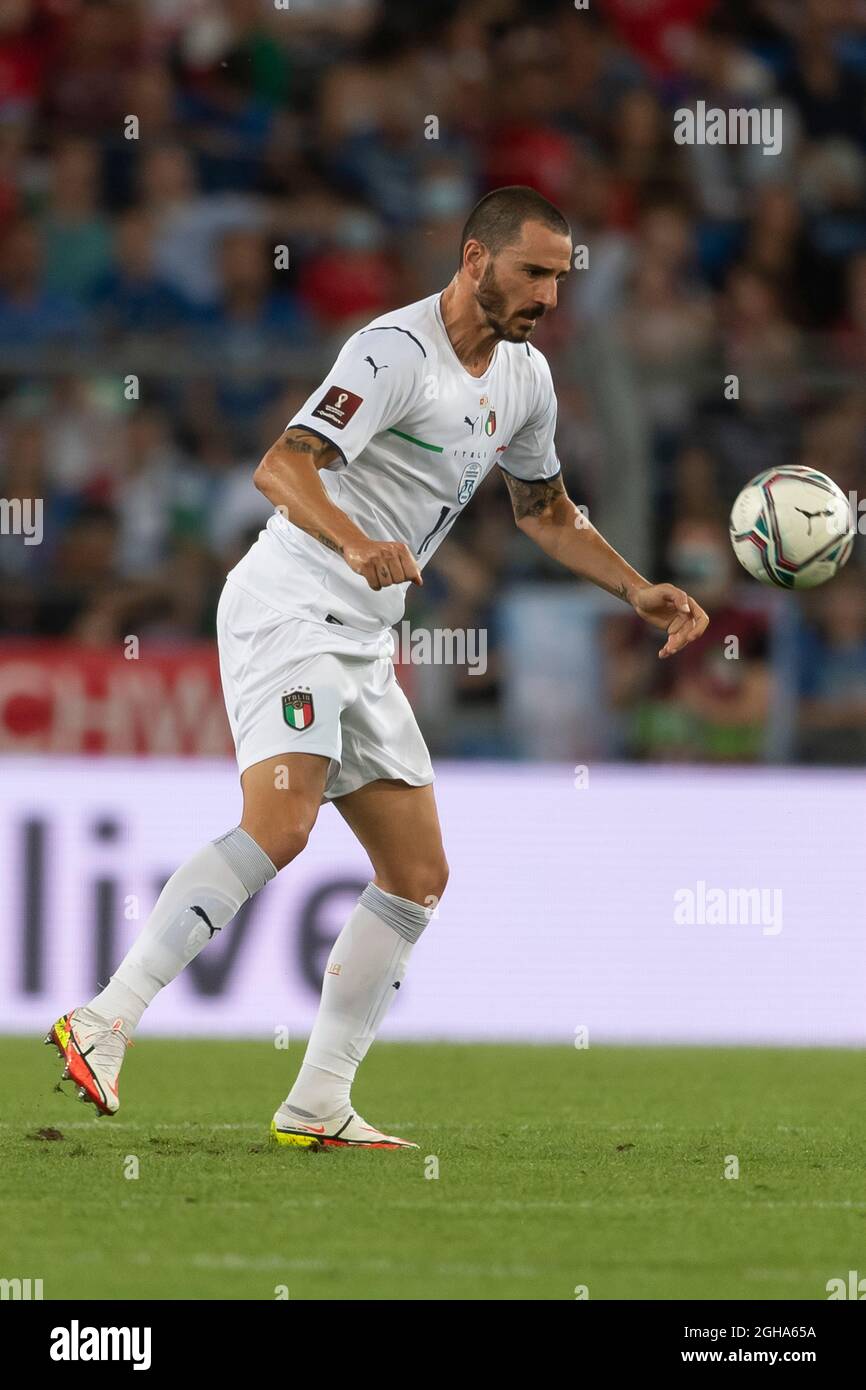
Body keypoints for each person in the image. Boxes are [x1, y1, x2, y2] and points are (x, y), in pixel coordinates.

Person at [47, 186, 709, 1150]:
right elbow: (281, 466)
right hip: (294, 599)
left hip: (363, 632)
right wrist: (358, 540)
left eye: (562, 278)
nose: (550, 297)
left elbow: (546, 513)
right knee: (281, 825)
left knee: (417, 872)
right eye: (533, 272)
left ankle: (318, 1101)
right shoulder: (393, 353)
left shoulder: (526, 380)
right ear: (476, 260)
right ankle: (105, 1016)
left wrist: (635, 588)